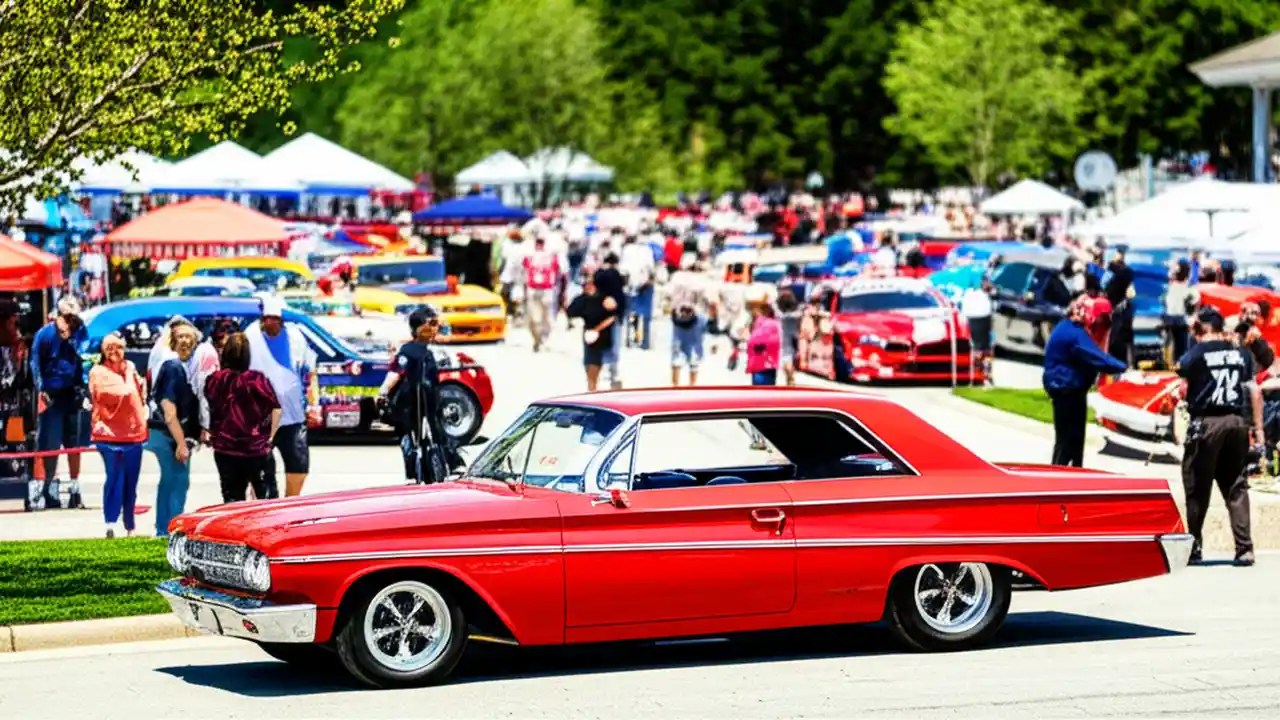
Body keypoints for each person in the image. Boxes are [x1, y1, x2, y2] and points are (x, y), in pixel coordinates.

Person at [1177, 308, 1260, 566]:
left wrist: (1192, 338)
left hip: (1208, 423)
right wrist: (1257, 429)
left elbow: (1181, 368)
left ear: (1201, 327)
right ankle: (1244, 548)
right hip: (1236, 422)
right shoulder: (1239, 352)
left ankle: (1194, 546)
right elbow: (1252, 388)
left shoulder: (1199, 351)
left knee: (1196, 486)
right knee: (1236, 485)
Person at [378, 307, 462, 483]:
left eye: (436, 324)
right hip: (412, 402)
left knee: (438, 432)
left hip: (430, 401)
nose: (435, 328)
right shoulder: (408, 350)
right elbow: (396, 373)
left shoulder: (432, 352)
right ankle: (414, 473)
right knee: (411, 437)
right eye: (431, 324)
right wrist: (383, 392)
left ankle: (451, 464)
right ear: (418, 328)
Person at [245, 296, 318, 498]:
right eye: (266, 318)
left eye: (275, 319)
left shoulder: (296, 337)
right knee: (261, 470)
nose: (270, 323)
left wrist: (314, 405)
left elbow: (310, 373)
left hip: (293, 417)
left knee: (299, 466)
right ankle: (263, 504)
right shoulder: (250, 336)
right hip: (261, 418)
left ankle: (290, 503)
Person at [1042, 297, 1128, 467]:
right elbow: (1098, 358)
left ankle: (1069, 471)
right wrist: (1125, 369)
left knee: (1071, 441)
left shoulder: (1066, 327)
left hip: (1069, 389)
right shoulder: (1075, 335)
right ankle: (1060, 474)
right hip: (1067, 390)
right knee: (1068, 440)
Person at [204, 332, 282, 502]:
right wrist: (270, 436)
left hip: (225, 447)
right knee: (267, 499)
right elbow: (276, 408)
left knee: (232, 499)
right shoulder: (256, 379)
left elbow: (209, 407)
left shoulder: (215, 380)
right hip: (256, 447)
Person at [29, 297, 89, 511]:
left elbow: (86, 355)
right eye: (67, 318)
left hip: (73, 394)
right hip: (52, 396)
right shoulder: (44, 334)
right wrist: (41, 389)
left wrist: (85, 387)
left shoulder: (79, 332)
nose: (71, 322)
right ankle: (48, 488)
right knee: (50, 444)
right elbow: (35, 362)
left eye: (74, 318)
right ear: (58, 316)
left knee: (75, 444)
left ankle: (74, 489)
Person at [145, 319, 201, 537]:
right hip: (169, 434)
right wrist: (181, 443)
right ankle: (171, 530)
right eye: (180, 337)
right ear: (172, 341)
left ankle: (163, 528)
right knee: (178, 481)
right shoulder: (173, 367)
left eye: (188, 337)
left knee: (169, 480)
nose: (185, 341)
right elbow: (169, 411)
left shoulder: (183, 367)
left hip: (169, 433)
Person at [88, 333, 147, 538]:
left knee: (131, 483)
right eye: (109, 348)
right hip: (108, 437)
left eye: (118, 347)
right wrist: (131, 381)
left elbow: (140, 392)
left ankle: (130, 525)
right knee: (115, 478)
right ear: (102, 351)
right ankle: (110, 523)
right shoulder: (97, 372)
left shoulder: (130, 367)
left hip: (134, 435)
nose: (114, 351)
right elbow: (123, 393)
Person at [566, 275, 617, 392]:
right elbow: (570, 312)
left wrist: (598, 329)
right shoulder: (582, 300)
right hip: (590, 334)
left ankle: (601, 385)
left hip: (604, 333)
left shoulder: (605, 299)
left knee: (606, 363)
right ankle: (592, 387)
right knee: (591, 362)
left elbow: (613, 315)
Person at [667, 256, 710, 386]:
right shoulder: (700, 279)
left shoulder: (676, 277)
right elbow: (708, 297)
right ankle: (692, 385)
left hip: (678, 317)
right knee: (695, 352)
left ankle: (675, 385)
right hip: (696, 317)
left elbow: (667, 294)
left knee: (677, 350)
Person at [592, 253, 627, 389]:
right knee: (614, 345)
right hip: (614, 315)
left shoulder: (598, 274)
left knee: (601, 343)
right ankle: (612, 371)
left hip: (599, 315)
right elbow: (620, 297)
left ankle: (601, 371)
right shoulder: (616, 275)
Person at [522, 236, 560, 352]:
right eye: (538, 242)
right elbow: (523, 271)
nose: (539, 245)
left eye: (541, 242)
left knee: (547, 317)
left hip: (547, 289)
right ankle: (536, 339)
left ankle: (543, 339)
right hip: (533, 289)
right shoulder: (529, 255)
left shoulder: (552, 256)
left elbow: (558, 272)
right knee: (534, 317)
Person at [619, 234, 656, 349]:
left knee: (629, 313)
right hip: (645, 285)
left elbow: (623, 270)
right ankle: (645, 342)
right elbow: (651, 269)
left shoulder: (627, 250)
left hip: (629, 285)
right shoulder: (647, 250)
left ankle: (629, 339)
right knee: (645, 315)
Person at [1103, 246, 1136, 366]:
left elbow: (1130, 292)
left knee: (1117, 340)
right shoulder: (1125, 272)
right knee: (1122, 340)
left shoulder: (1113, 271)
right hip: (1120, 309)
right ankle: (1125, 365)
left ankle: (1119, 365)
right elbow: (1131, 293)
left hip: (1117, 310)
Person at [961, 278, 995, 384]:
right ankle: (979, 372)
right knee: (980, 348)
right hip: (977, 319)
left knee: (984, 348)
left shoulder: (979, 293)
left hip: (981, 319)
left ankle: (984, 372)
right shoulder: (973, 293)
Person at [1163, 260, 1197, 365]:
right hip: (1181, 321)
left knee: (1170, 346)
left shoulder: (1169, 288)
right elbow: (1193, 305)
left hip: (1170, 319)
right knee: (1181, 348)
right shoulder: (1190, 290)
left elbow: (1164, 301)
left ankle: (1170, 363)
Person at [745, 300, 781, 385]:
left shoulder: (763, 323)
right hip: (771, 362)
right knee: (769, 386)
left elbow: (754, 341)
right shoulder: (776, 323)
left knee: (760, 388)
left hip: (760, 362)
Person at [777, 289, 802, 386]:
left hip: (783, 338)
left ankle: (790, 379)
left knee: (786, 360)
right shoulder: (797, 314)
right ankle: (790, 379)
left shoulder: (779, 315)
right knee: (789, 359)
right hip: (793, 338)